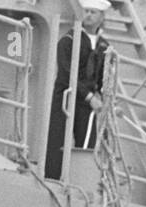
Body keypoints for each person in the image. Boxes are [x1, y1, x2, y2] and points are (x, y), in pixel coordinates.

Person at [44, 0, 109, 180]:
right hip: (65, 98)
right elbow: (66, 74)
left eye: (93, 12)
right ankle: (53, 179)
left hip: (87, 105)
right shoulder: (68, 41)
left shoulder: (105, 47)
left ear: (101, 17)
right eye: (86, 11)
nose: (88, 15)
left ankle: (81, 180)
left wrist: (104, 99)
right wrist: (90, 97)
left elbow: (104, 78)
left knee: (87, 143)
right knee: (57, 141)